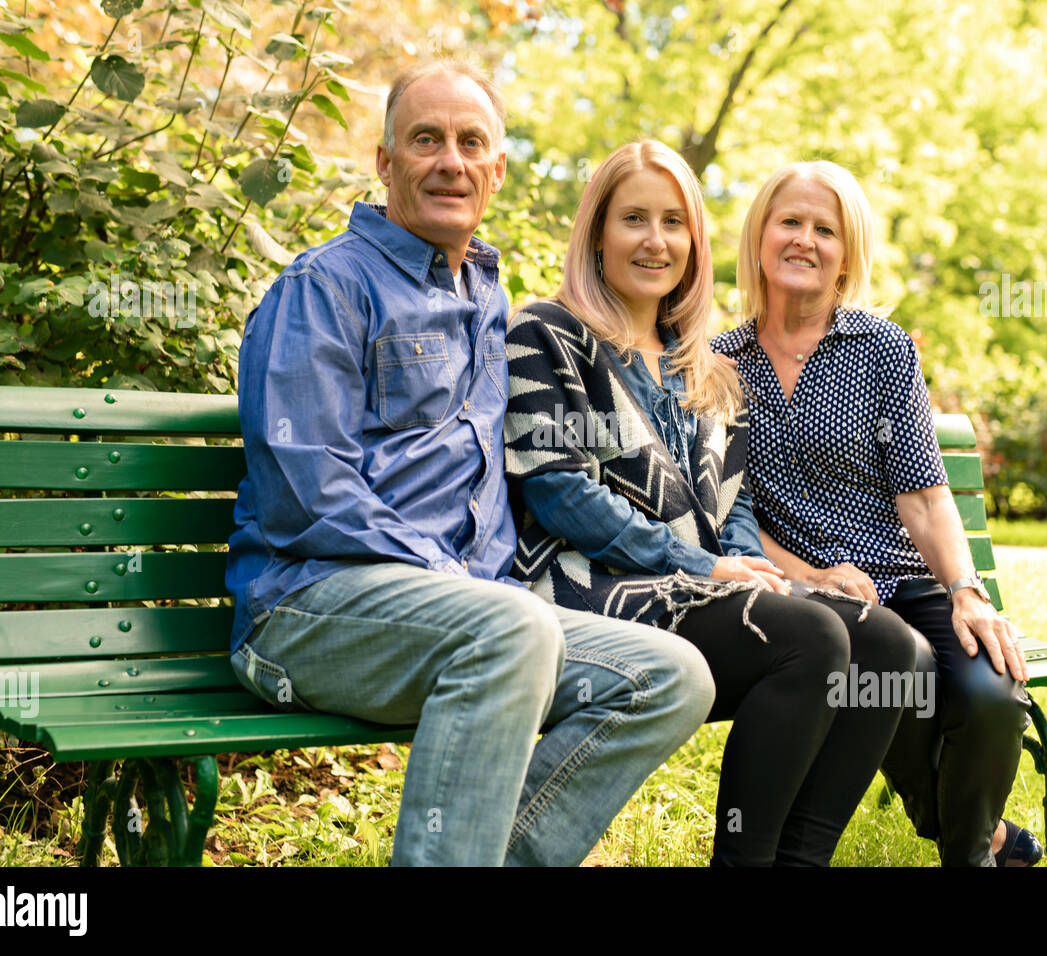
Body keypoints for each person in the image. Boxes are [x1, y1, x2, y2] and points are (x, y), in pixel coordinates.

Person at [224, 63, 716, 867]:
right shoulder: (326, 288)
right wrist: (456, 584)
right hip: (308, 610)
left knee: (672, 678)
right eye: (426, 140)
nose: (451, 160)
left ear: (496, 170)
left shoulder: (485, 296)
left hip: (470, 618)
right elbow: (304, 495)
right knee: (509, 624)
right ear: (385, 163)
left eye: (471, 143)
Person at [503, 140, 918, 866]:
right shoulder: (545, 335)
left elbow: (737, 505)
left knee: (889, 645)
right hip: (594, 592)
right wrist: (702, 564)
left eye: (674, 222)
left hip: (702, 592)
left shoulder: (704, 365)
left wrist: (759, 569)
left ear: (696, 242)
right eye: (634, 218)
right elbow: (559, 489)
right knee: (812, 641)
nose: (655, 240)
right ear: (598, 232)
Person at [710, 160, 1038, 867]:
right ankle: (982, 850)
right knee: (893, 663)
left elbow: (923, 493)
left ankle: (970, 843)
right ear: (760, 237)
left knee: (992, 691)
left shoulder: (881, 349)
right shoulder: (718, 363)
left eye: (825, 229)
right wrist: (814, 573)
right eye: (790, 221)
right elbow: (727, 504)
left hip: (904, 579)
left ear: (847, 252)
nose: (805, 240)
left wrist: (966, 592)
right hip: (802, 592)